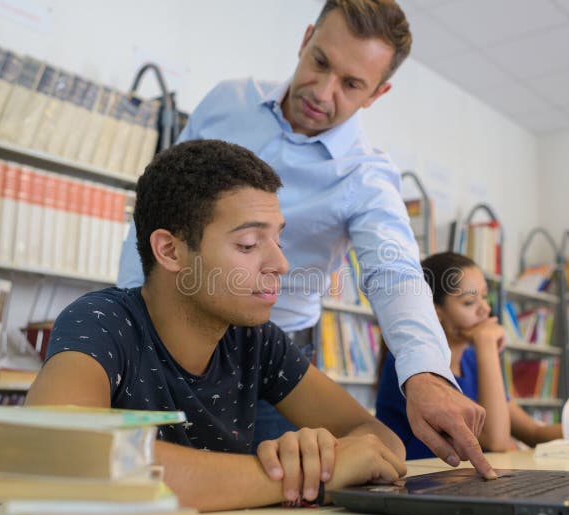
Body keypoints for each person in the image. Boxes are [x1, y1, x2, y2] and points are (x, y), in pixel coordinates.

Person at [117, 0, 496, 479]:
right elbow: (160, 208)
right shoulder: (226, 103)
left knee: (281, 496)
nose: (322, 90)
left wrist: (425, 373)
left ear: (377, 93)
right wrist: (130, 311)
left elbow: (393, 273)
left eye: (351, 84)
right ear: (305, 39)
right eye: (320, 61)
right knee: (138, 482)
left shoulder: (366, 176)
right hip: (162, 334)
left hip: (270, 362)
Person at [26, 140, 406, 512]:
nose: (280, 264)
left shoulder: (255, 341)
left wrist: (316, 455)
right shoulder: (102, 322)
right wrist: (293, 477)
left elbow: (383, 442)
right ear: (171, 251)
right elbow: (60, 450)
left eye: (278, 239)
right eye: (248, 244)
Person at [376, 252, 563, 458]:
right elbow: (495, 441)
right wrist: (486, 343)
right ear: (435, 312)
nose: (485, 309)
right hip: (420, 483)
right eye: (469, 302)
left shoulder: (471, 360)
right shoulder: (414, 366)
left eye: (484, 296)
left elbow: (533, 432)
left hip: (461, 482)